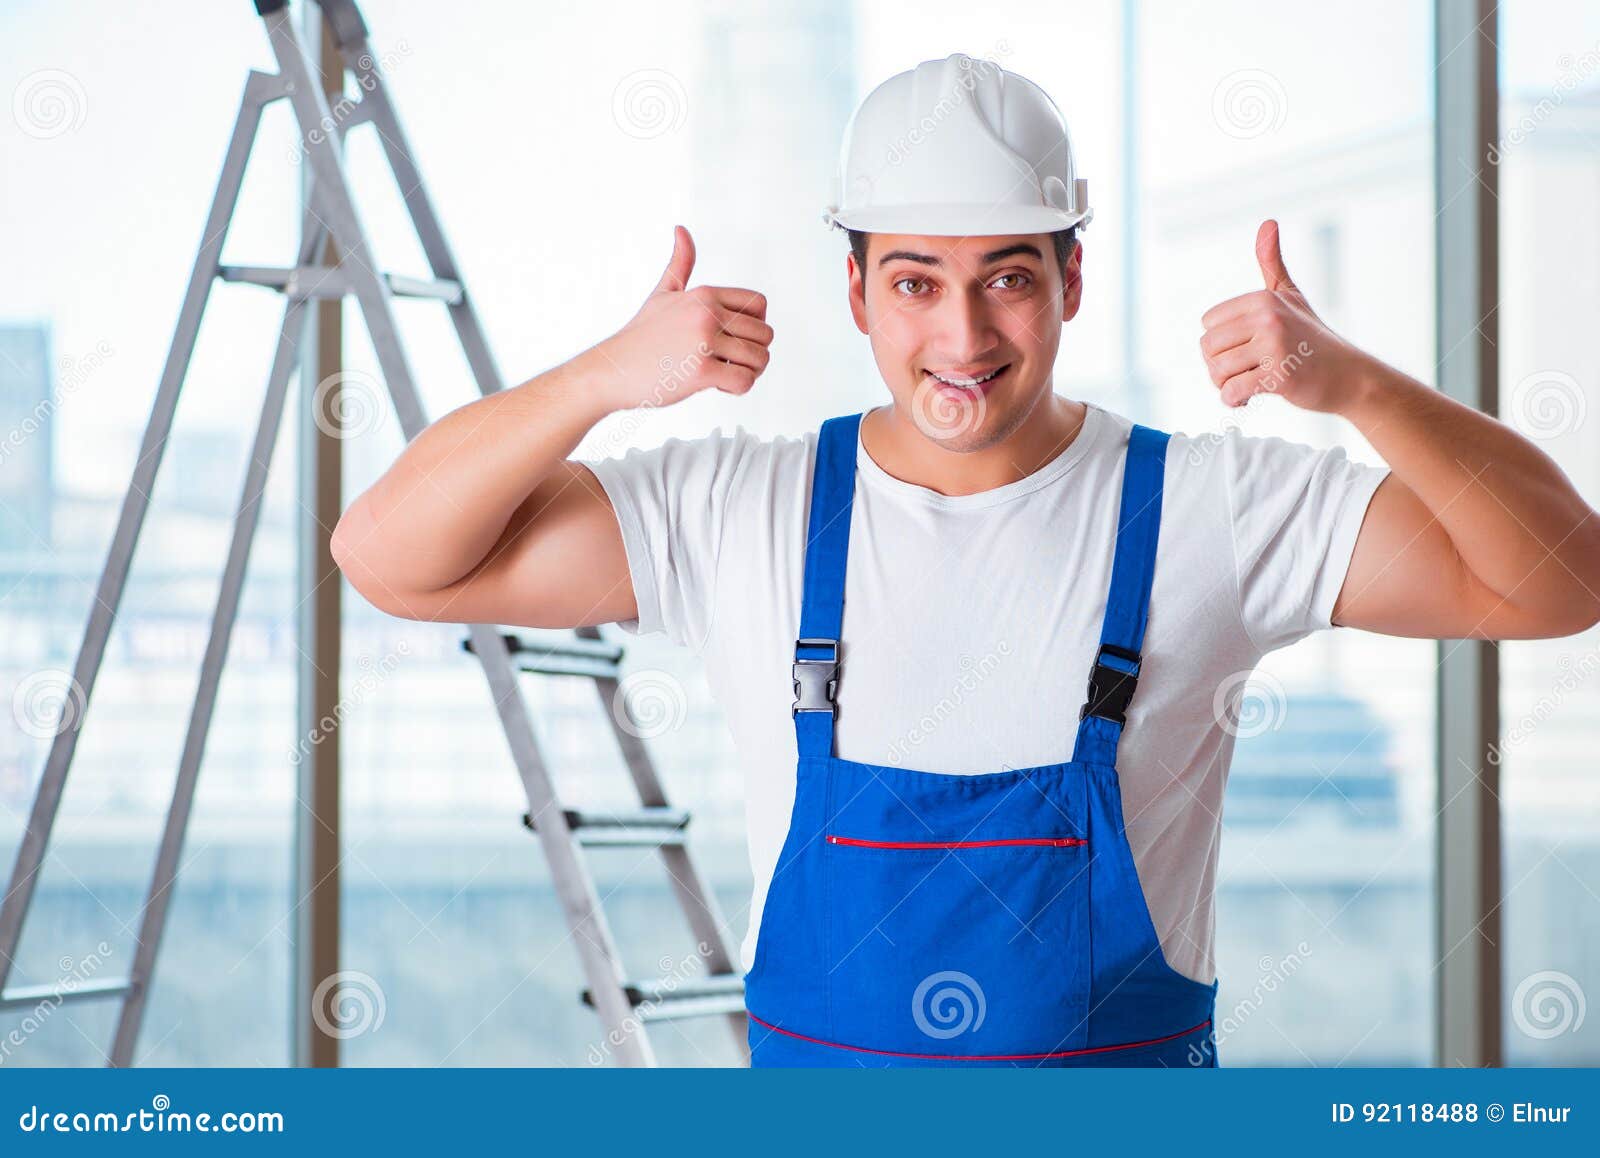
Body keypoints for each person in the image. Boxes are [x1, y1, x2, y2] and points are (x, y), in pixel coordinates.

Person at [331, 54, 1600, 1067]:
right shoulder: (741, 509)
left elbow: (1562, 581)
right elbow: (390, 556)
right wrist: (604, 377)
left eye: (1004, 279)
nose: (962, 333)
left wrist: (1360, 387)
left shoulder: (1213, 506)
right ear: (855, 290)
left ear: (1069, 280)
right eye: (916, 282)